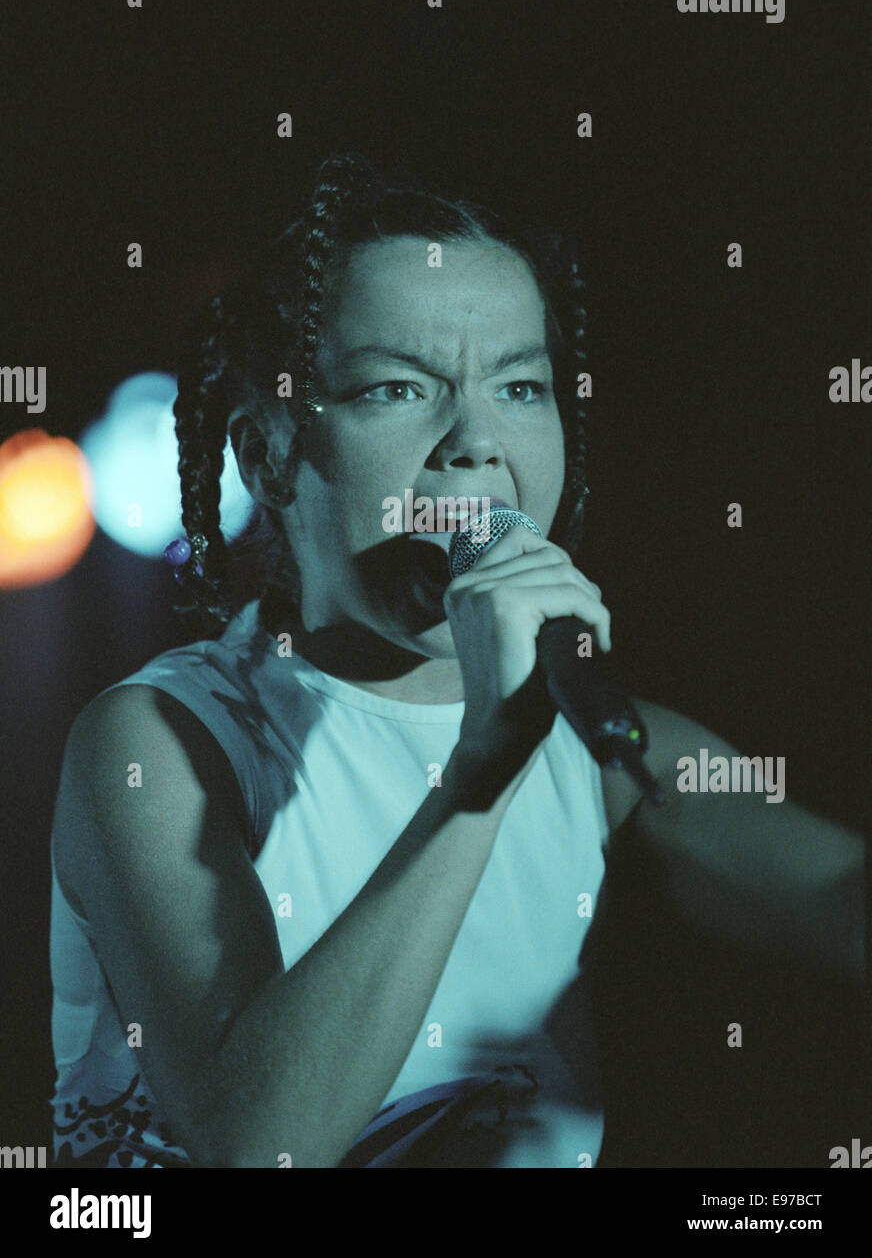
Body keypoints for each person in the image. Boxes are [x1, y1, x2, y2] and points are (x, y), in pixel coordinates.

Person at [48, 154, 862, 1168]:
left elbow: (839, 901)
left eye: (520, 385)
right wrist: (479, 771)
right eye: (399, 387)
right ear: (266, 454)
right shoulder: (161, 740)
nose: (476, 438)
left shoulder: (596, 740)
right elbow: (255, 1146)